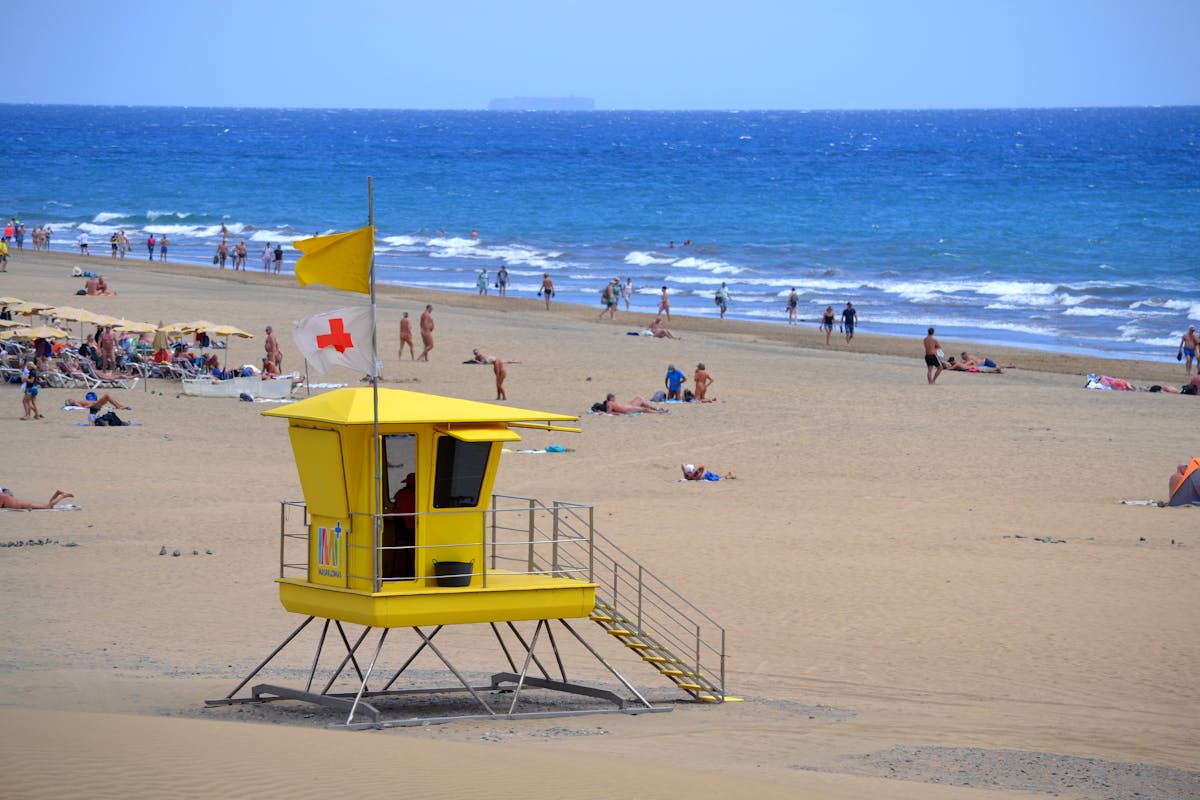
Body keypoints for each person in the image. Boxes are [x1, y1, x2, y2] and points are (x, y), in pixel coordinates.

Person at [385, 473, 416, 579]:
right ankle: (414, 571)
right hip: (409, 531)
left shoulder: (400, 494)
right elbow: (412, 517)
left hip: (400, 530)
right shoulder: (411, 496)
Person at [0, 487, 74, 510]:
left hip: (23, 505)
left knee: (48, 507)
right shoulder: (4, 495)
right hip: (22, 503)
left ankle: (63, 496)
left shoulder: (2, 496)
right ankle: (57, 493)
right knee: (47, 506)